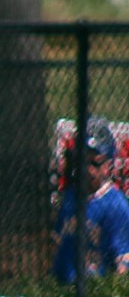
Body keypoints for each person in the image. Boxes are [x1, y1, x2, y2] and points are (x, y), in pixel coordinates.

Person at [52, 118, 129, 284]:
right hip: (64, 289)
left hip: (95, 294)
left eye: (94, 162)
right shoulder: (71, 196)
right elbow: (56, 245)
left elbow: (122, 264)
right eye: (82, 161)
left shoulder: (116, 205)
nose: (87, 169)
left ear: (108, 164)